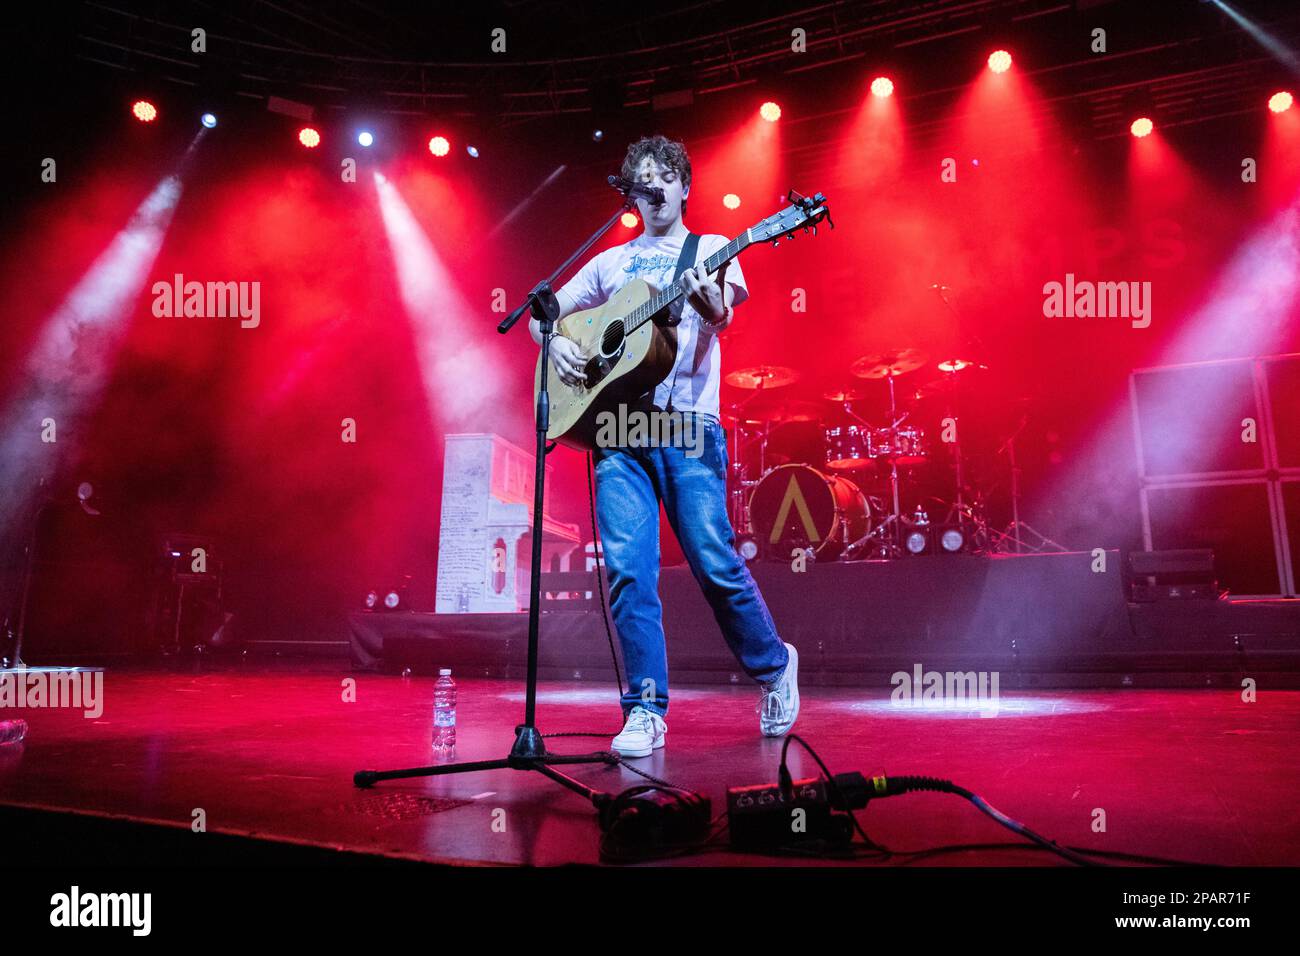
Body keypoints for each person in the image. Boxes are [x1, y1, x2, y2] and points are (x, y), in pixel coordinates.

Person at [529, 134, 798, 758]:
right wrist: (556, 343)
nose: (649, 196)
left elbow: (722, 313)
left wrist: (711, 302)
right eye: (638, 186)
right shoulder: (609, 263)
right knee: (627, 571)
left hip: (684, 424)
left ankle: (773, 666)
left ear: (682, 185)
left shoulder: (712, 252)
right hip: (617, 432)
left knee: (712, 560)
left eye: (659, 182)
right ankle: (645, 709)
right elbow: (548, 314)